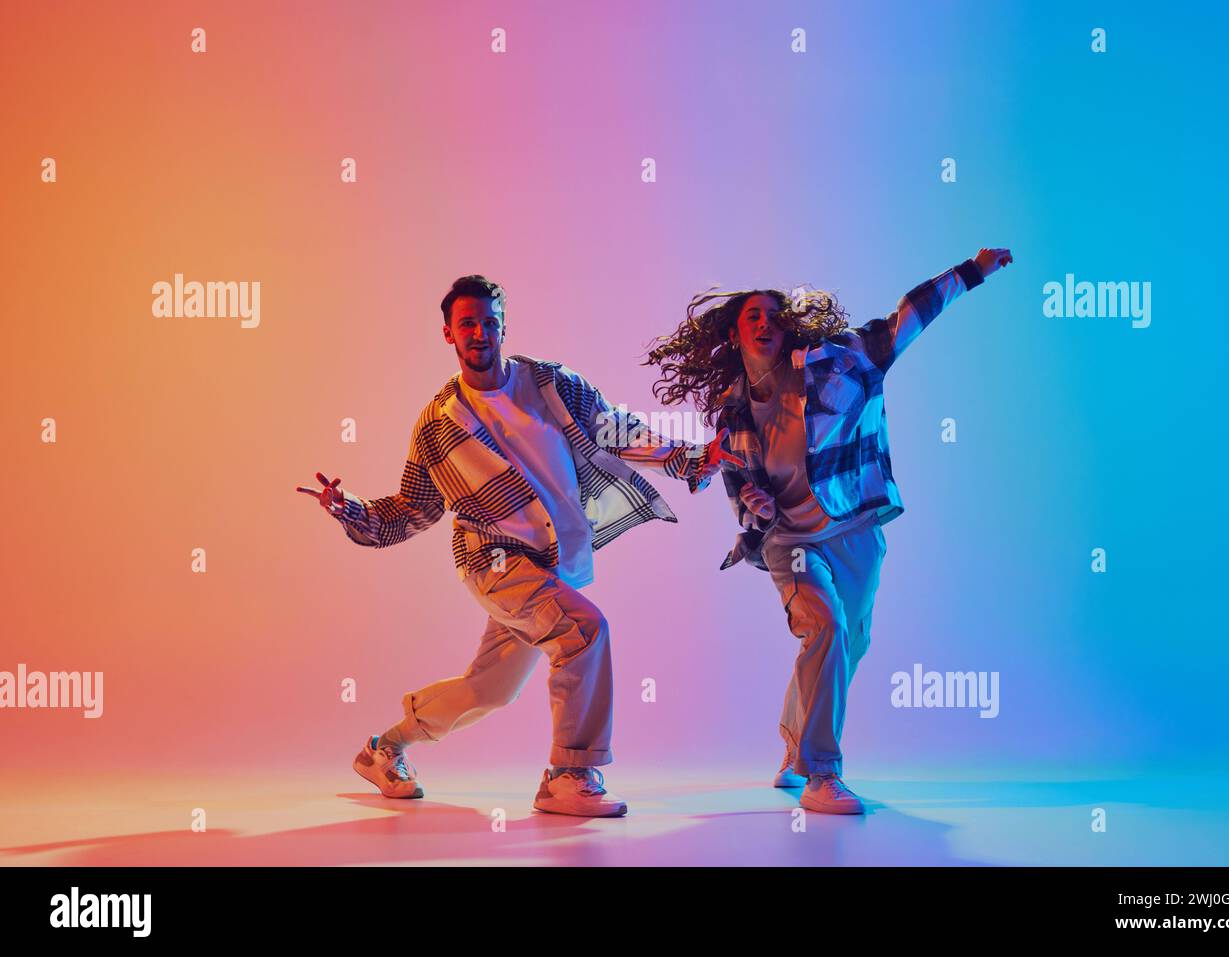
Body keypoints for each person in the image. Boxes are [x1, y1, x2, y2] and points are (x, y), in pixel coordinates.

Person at [298, 275, 736, 817]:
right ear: (448, 335)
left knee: (490, 689)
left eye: (488, 322)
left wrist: (693, 457)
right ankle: (568, 775)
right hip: (494, 561)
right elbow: (414, 510)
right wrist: (351, 510)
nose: (479, 333)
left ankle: (384, 749)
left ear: (502, 327)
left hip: (556, 562)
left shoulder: (551, 384)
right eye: (467, 325)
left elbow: (615, 430)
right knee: (583, 631)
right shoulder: (439, 424)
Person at [644, 249, 1012, 813]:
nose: (765, 322)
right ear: (735, 333)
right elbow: (738, 489)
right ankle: (822, 773)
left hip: (855, 524)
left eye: (772, 314)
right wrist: (753, 501)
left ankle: (794, 745)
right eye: (752, 317)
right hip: (788, 543)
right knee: (827, 626)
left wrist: (970, 271)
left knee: (849, 641)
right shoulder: (732, 411)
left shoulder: (839, 359)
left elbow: (903, 320)